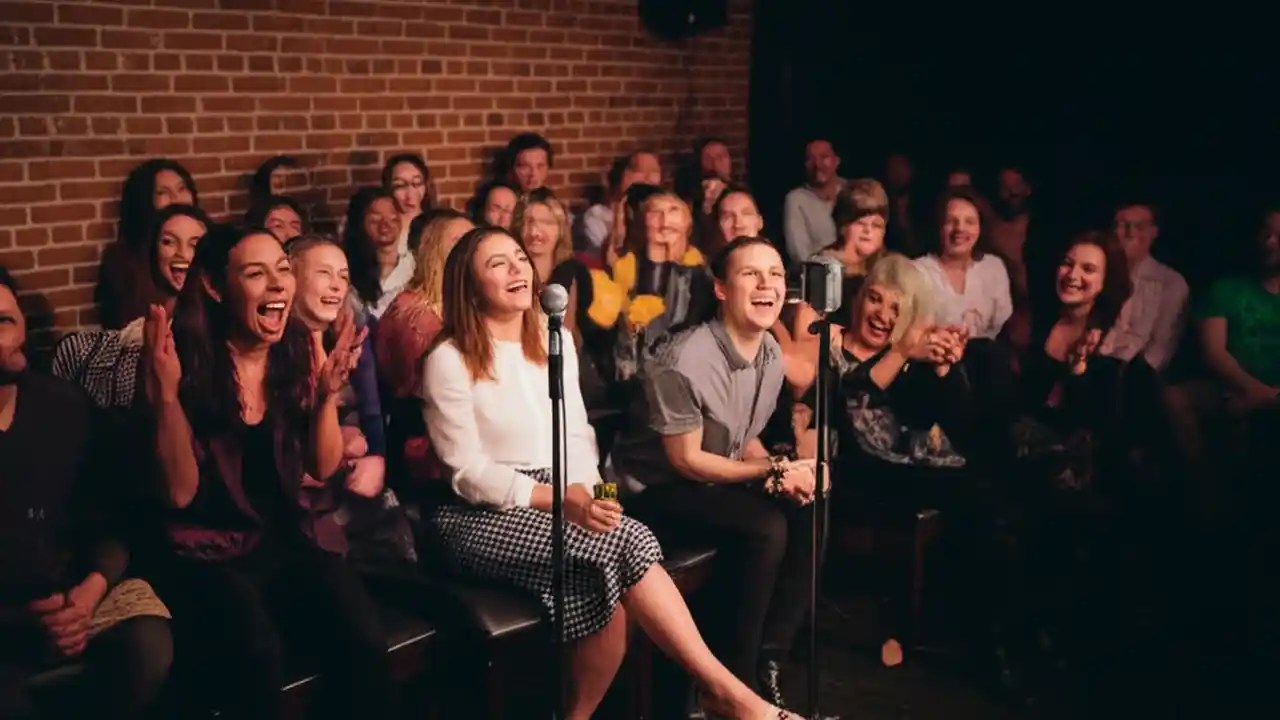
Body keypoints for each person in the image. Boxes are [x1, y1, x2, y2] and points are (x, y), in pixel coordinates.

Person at [421, 227, 798, 720]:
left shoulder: (551, 337)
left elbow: (577, 435)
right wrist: (562, 500)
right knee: (632, 542)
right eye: (498, 264)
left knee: (610, 575)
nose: (518, 269)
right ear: (468, 284)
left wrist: (596, 496)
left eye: (520, 258)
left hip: (563, 492)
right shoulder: (448, 359)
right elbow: (467, 472)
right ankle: (727, 693)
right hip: (482, 514)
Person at [141, 226, 394, 720]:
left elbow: (321, 468)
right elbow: (179, 494)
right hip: (204, 551)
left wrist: (325, 397)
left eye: (283, 269)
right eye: (257, 273)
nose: (279, 285)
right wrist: (166, 399)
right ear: (215, 287)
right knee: (257, 655)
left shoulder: (295, 351)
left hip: (282, 538)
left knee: (364, 639)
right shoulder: (185, 362)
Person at [607, 237, 824, 712]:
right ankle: (732, 687)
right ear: (723, 289)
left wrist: (789, 474)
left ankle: (768, 659)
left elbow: (740, 435)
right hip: (651, 490)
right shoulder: (685, 359)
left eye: (775, 275)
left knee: (807, 508)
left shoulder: (767, 351)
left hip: (707, 481)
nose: (767, 284)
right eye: (751, 274)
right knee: (764, 527)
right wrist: (772, 469)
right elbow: (685, 459)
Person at [1, 267, 172, 719]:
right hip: (10, 616)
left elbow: (111, 518)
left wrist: (88, 595)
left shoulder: (62, 406)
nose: (9, 333)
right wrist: (24, 620)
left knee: (148, 642)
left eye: (8, 319)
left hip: (74, 594)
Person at [54, 204, 210, 410]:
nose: (182, 253)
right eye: (168, 242)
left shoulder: (216, 335)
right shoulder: (112, 344)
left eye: (194, 244)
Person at [375, 209, 475, 488]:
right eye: (458, 240)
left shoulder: (466, 303)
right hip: (428, 449)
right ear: (433, 250)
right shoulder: (413, 313)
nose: (470, 248)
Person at [97, 159, 199, 329]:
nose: (176, 198)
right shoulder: (124, 260)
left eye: (182, 188)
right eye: (163, 192)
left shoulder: (211, 244)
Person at [343, 187, 410, 320]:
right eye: (375, 220)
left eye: (392, 218)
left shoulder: (413, 266)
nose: (385, 225)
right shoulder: (346, 270)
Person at [783, 138, 845, 263]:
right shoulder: (796, 200)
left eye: (824, 157)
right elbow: (800, 255)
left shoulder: (852, 191)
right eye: (810, 159)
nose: (817, 165)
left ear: (836, 160)